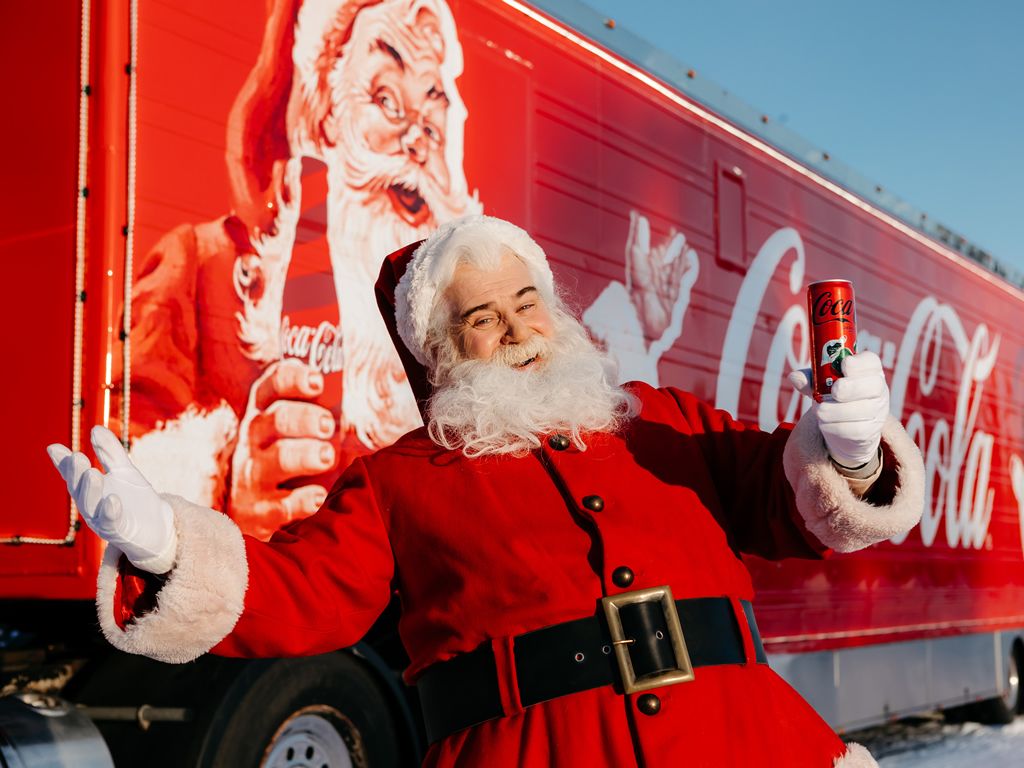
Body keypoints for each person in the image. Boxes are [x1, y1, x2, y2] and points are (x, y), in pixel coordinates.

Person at [50, 215, 924, 766]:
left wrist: (846, 452)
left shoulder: (656, 420)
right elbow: (303, 594)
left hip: (745, 745)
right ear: (440, 353)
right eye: (481, 317)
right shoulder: (401, 480)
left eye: (527, 300)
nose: (516, 330)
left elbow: (788, 502)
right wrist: (165, 546)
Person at [117, 0, 481, 537]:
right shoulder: (200, 268)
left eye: (433, 109)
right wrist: (229, 506)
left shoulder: (466, 316)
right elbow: (127, 489)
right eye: (386, 99)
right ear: (326, 116)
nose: (416, 139)